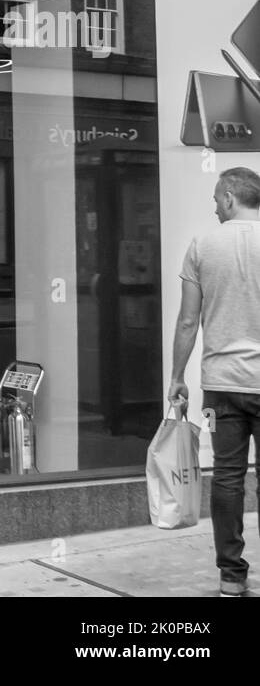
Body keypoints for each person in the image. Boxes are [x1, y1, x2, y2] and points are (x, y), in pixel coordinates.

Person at [168, 166, 260, 598]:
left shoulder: (203, 245)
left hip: (222, 385)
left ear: (228, 197)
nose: (213, 207)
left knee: (227, 476)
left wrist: (175, 377)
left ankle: (231, 576)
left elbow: (188, 321)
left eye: (214, 199)